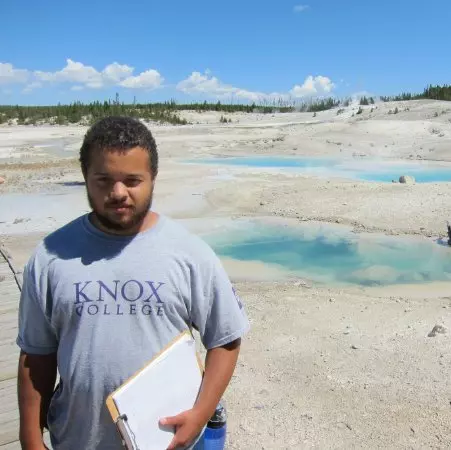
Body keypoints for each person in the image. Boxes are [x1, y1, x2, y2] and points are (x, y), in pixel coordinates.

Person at [16, 116, 250, 450]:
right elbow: (35, 355)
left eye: (132, 180)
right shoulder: (50, 257)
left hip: (167, 440)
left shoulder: (189, 253)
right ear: (85, 178)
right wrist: (30, 438)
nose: (118, 193)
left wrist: (199, 415)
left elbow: (226, 339)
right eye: (103, 180)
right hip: (78, 438)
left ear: (153, 178)